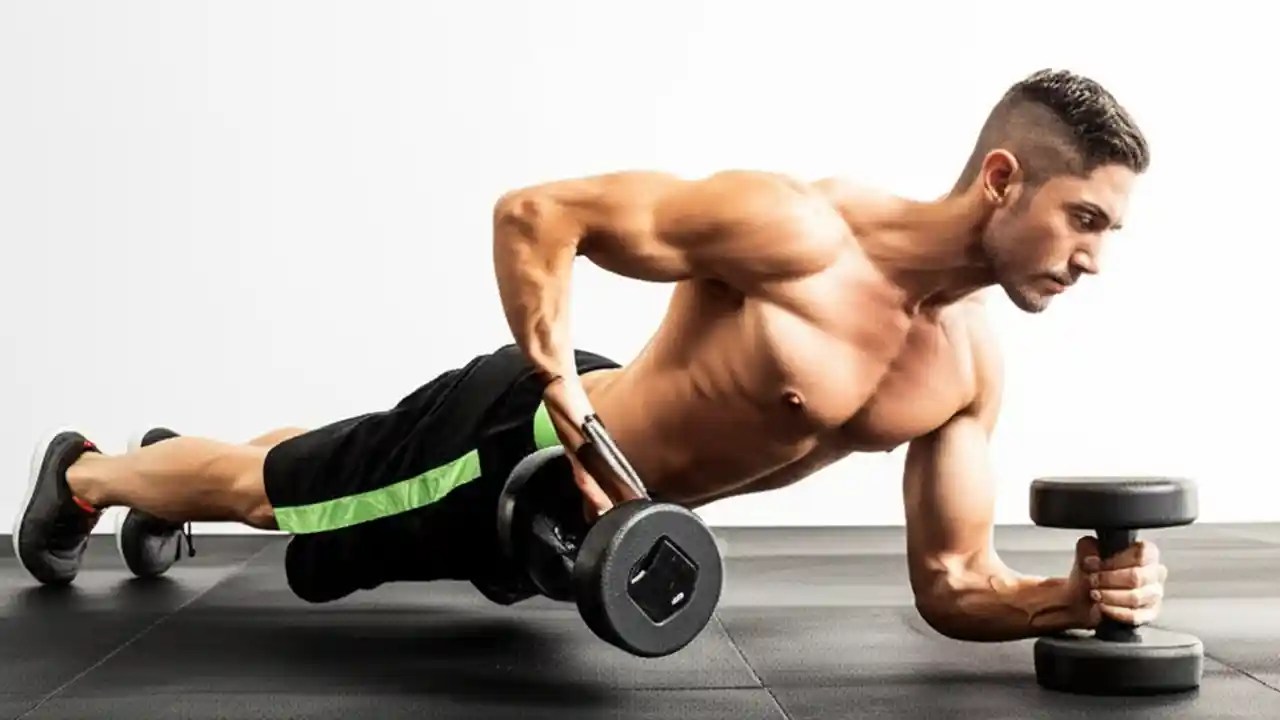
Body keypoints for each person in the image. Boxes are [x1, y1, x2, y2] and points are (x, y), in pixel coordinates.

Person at [13, 68, 1163, 642]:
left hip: (568, 528)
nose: (1094, 261)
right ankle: (90, 474)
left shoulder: (966, 369)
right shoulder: (797, 234)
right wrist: (558, 382)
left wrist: (1068, 595)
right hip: (514, 447)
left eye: (1109, 232)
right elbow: (537, 213)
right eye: (1084, 220)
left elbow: (952, 584)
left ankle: (175, 459)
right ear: (1002, 178)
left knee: (337, 463)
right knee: (275, 502)